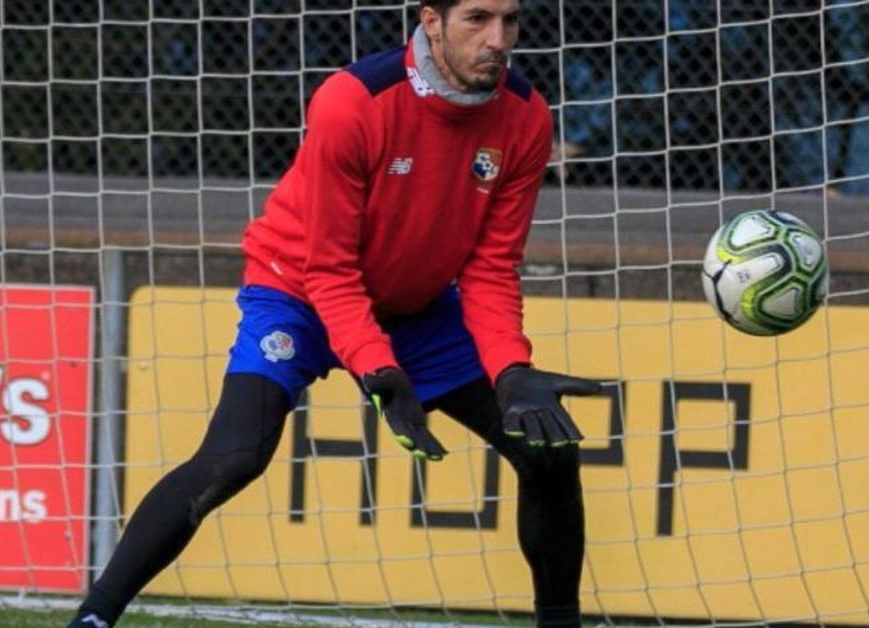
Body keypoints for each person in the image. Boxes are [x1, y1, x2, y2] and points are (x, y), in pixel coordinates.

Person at [67, 0, 599, 626]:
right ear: (432, 21)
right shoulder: (354, 101)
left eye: (511, 21)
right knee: (234, 458)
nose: (498, 39)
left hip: (416, 306)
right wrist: (379, 372)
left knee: (547, 453)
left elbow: (488, 268)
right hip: (296, 292)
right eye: (477, 19)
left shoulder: (526, 116)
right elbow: (329, 270)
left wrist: (511, 370)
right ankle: (95, 617)